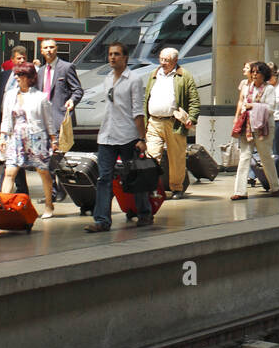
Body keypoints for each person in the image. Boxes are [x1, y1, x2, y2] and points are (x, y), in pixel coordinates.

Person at [86, 42, 153, 231]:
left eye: (116, 54)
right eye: (110, 54)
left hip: (127, 136)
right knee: (103, 178)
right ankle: (102, 221)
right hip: (107, 136)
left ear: (125, 57)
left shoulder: (134, 80)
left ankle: (144, 213)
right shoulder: (108, 78)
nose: (112, 57)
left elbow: (138, 111)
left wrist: (142, 138)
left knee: (134, 176)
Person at [0, 61, 58, 217]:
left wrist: (54, 139)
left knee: (43, 171)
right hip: (15, 138)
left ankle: (49, 205)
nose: (17, 77)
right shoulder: (10, 95)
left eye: (21, 74)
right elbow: (6, 118)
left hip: (36, 137)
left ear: (30, 77)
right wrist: (2, 136)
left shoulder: (40, 97)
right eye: (16, 74)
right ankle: (4, 209)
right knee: (9, 172)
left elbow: (48, 121)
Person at [144, 47, 201, 200]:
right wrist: (144, 120)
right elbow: (146, 97)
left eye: (167, 60)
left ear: (175, 61)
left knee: (177, 158)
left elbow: (194, 100)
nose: (163, 63)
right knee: (151, 156)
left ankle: (177, 188)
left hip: (174, 123)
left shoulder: (184, 75)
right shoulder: (154, 74)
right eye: (161, 59)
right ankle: (151, 188)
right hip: (154, 121)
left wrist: (192, 118)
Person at [36, 38, 83, 202]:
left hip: (60, 119)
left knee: (58, 158)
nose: (49, 50)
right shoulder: (40, 71)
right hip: (43, 120)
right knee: (45, 159)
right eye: (45, 48)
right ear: (41, 51)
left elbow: (78, 90)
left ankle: (60, 190)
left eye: (51, 47)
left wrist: (72, 101)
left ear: (56, 49)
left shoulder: (67, 67)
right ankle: (52, 192)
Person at [231, 61, 279, 200]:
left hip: (263, 129)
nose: (254, 74)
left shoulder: (269, 89)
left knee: (266, 157)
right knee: (244, 158)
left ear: (264, 74)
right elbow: (242, 104)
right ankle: (240, 191)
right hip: (247, 127)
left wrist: (253, 106)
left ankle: (275, 186)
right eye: (252, 72)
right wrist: (240, 114)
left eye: (257, 72)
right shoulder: (246, 88)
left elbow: (270, 109)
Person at [0, 44, 31, 197]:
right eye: (18, 58)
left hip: (20, 123)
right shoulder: (4, 76)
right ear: (12, 60)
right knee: (12, 157)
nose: (21, 61)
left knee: (11, 158)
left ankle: (3, 191)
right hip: (4, 120)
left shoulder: (30, 78)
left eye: (24, 58)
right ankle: (22, 189)